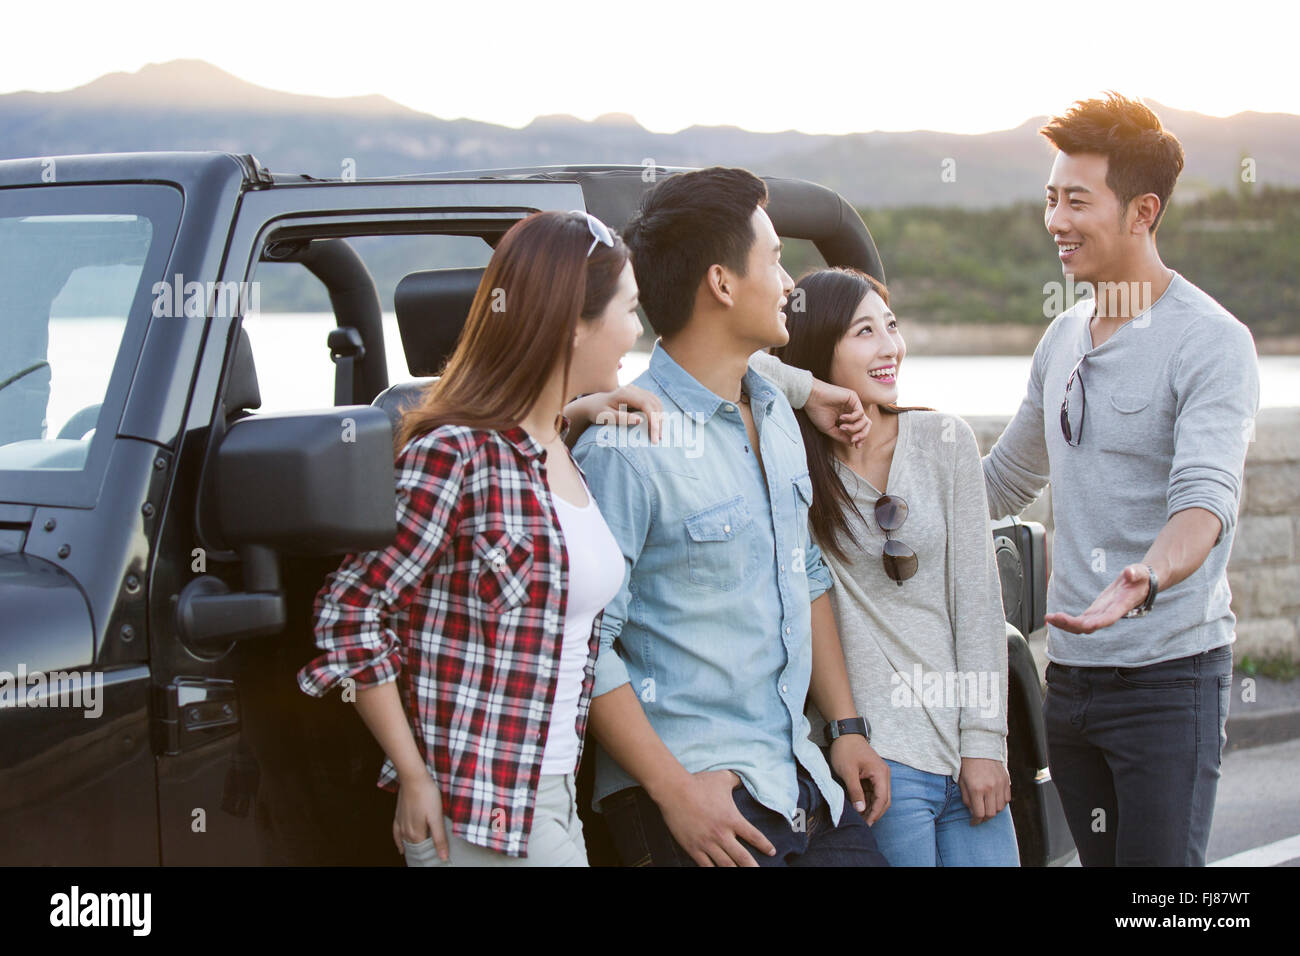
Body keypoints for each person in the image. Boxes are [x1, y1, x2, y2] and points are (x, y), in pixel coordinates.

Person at [297, 209, 663, 866]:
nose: (638, 332)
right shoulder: (455, 456)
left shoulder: (550, 442)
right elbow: (350, 612)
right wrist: (412, 776)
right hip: (479, 814)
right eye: (631, 311)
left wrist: (576, 414)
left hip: (550, 797)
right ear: (574, 323)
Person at [571, 166, 890, 867]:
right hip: (698, 798)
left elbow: (803, 575)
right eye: (775, 261)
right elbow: (587, 644)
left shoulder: (777, 415)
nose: (788, 285)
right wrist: (672, 789)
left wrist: (845, 728)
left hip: (802, 779)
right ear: (721, 283)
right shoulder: (627, 446)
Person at [980, 93, 1260, 866]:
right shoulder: (1062, 335)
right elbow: (1005, 479)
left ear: (1142, 210)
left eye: (1077, 200)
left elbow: (1205, 503)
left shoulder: (1210, 342)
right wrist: (876, 503)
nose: (1056, 221)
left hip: (1170, 680)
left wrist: (1145, 576)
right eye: (1049, 198)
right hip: (1070, 680)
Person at [748, 267, 1020, 866]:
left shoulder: (944, 440)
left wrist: (986, 744)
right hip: (876, 759)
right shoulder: (789, 456)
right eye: (864, 332)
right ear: (817, 345)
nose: (890, 346)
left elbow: (977, 604)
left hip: (963, 750)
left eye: (891, 326)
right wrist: (814, 393)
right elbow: (728, 367)